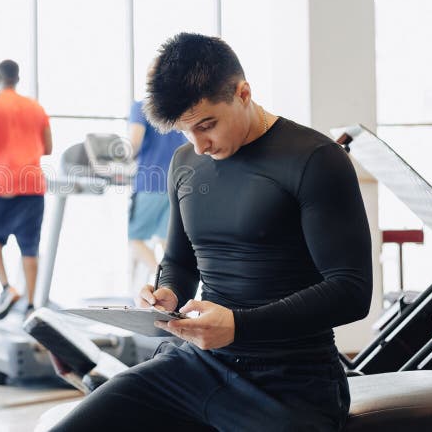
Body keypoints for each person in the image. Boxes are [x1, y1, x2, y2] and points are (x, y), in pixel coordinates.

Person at [50, 33, 372, 431]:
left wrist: (240, 326)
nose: (199, 145)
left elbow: (351, 291)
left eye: (207, 125)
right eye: (186, 132)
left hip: (290, 382)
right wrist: (167, 292)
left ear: (243, 93)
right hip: (194, 366)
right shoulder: (184, 162)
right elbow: (179, 261)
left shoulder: (315, 159)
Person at [0, 59, 52, 320]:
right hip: (32, 183)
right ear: (17, 78)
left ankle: (7, 287)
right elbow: (48, 147)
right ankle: (31, 305)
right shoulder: (36, 108)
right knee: (30, 246)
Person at [127, 93, 187, 288]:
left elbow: (134, 143)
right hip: (176, 181)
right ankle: (172, 285)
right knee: (166, 239)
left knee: (135, 239)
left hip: (149, 183)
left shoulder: (142, 106)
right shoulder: (178, 104)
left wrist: (120, 158)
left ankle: (159, 279)